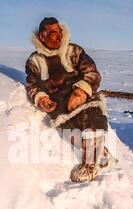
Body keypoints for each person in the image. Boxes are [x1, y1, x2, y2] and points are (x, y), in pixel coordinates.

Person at [25, 17, 114, 182]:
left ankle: (90, 167)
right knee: (72, 134)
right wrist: (41, 99)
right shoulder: (34, 61)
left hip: (85, 100)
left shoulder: (75, 51)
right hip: (60, 107)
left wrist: (81, 92)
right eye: (53, 33)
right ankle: (102, 155)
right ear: (42, 36)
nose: (59, 36)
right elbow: (32, 86)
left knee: (92, 119)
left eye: (60, 31)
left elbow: (92, 73)